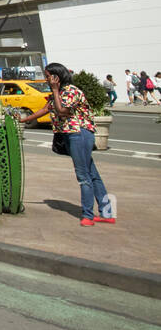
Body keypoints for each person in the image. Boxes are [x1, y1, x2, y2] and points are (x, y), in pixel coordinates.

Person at [18, 63, 114, 226]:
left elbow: (63, 110)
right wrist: (24, 119)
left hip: (78, 134)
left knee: (83, 176)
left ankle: (88, 215)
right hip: (70, 134)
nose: (46, 79)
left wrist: (55, 90)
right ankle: (107, 213)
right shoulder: (60, 92)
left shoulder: (70, 91)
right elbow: (47, 108)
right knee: (92, 174)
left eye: (48, 76)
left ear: (57, 76)